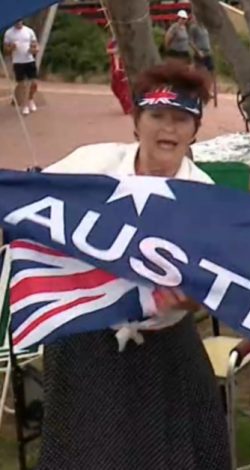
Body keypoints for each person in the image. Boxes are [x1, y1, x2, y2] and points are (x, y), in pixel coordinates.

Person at [38, 62, 230, 469]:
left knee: (179, 453)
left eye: (181, 119)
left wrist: (191, 301)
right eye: (157, 115)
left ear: (195, 129)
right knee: (84, 453)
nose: (168, 128)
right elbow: (31, 208)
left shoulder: (206, 199)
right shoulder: (90, 165)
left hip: (164, 341)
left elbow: (215, 287)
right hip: (83, 333)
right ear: (136, 119)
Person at [3, 20, 39, 116]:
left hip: (29, 60)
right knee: (22, 84)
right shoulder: (9, 33)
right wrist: (11, 48)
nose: (18, 22)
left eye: (20, 21)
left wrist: (34, 50)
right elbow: (5, 49)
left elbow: (35, 45)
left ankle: (30, 99)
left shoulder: (29, 31)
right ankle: (25, 105)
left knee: (34, 83)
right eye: (16, 21)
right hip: (18, 62)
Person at [106, 37, 132, 115]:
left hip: (121, 68)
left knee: (122, 88)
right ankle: (128, 106)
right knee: (115, 87)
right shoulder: (114, 41)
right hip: (116, 68)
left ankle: (128, 107)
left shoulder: (124, 41)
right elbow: (108, 51)